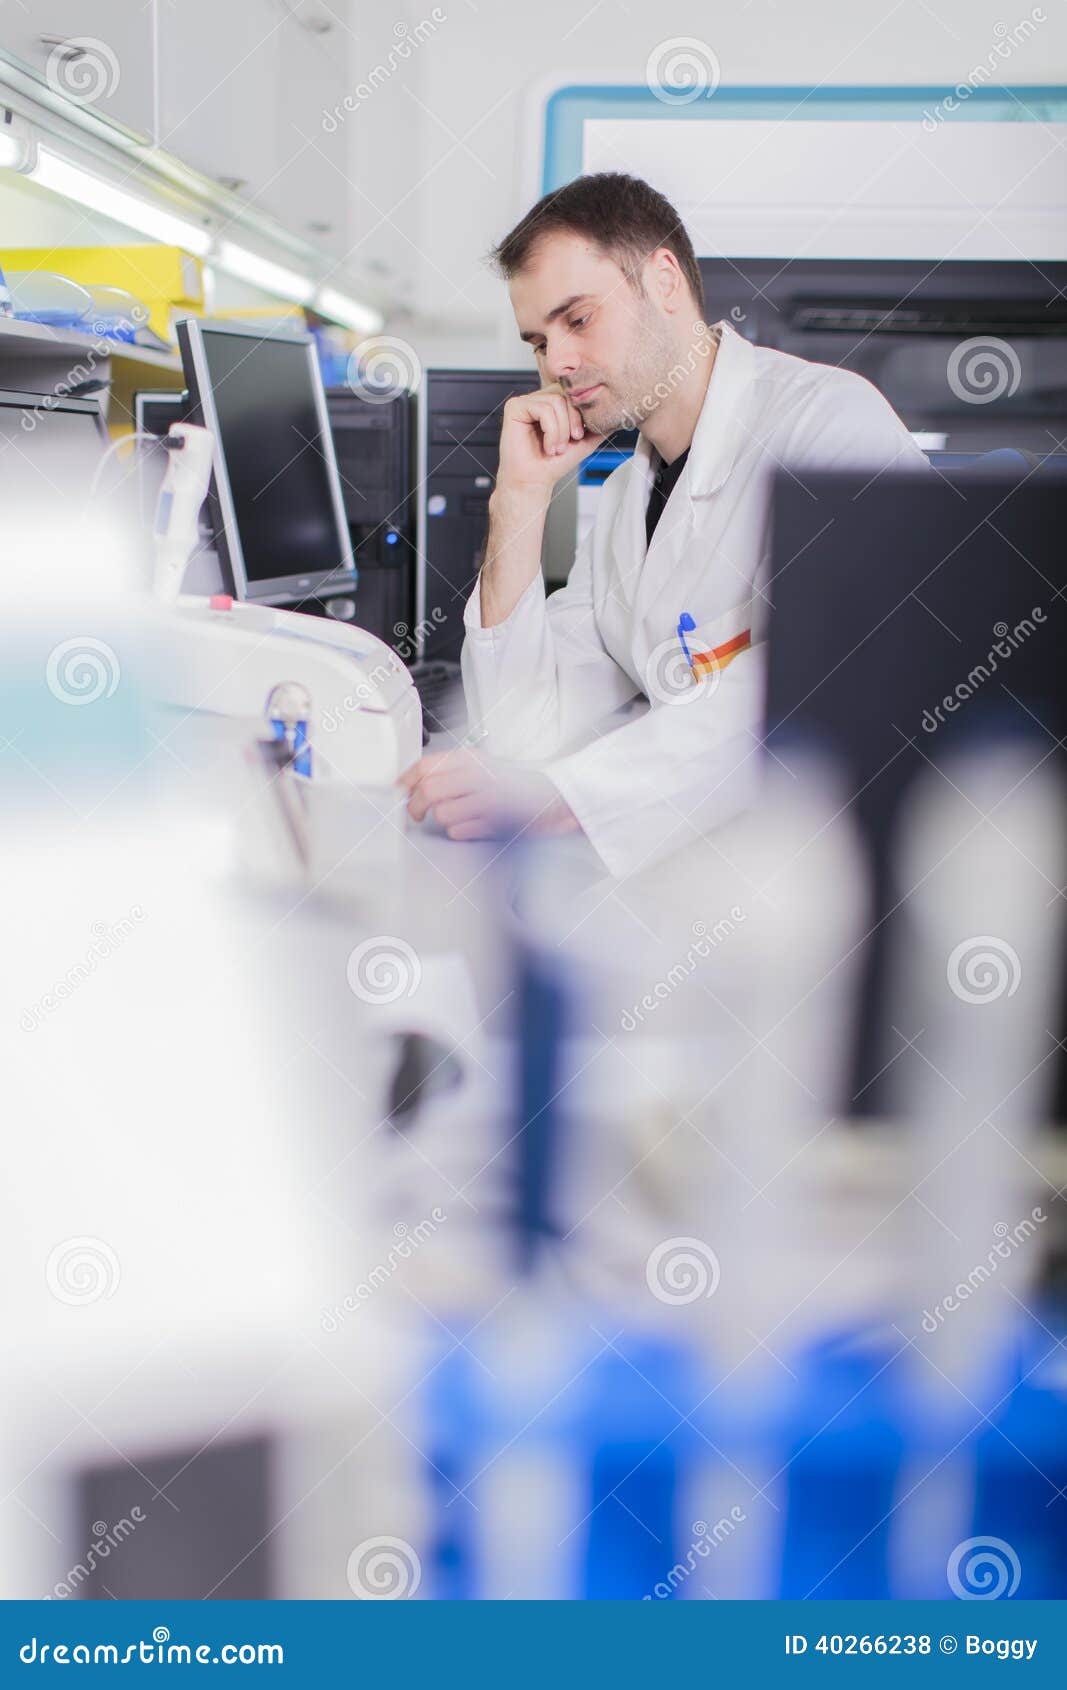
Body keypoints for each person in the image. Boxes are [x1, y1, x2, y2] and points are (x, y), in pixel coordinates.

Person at [402, 172, 928, 879]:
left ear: (663, 279)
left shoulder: (829, 423)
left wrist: (560, 797)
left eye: (578, 319)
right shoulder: (626, 493)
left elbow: (821, 684)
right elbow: (521, 728)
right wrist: (519, 503)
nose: (556, 363)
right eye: (538, 341)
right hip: (693, 872)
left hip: (821, 883)